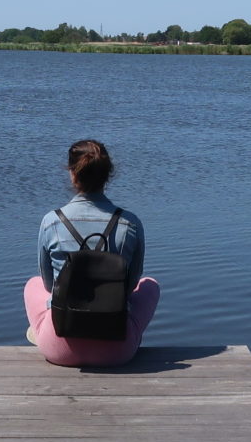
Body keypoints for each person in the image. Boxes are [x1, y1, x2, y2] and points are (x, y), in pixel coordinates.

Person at [23, 138, 161, 366]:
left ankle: (41, 330)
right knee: (150, 285)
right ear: (108, 175)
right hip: (118, 351)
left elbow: (49, 286)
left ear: (72, 174)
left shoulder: (51, 222)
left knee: (34, 284)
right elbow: (131, 285)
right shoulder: (130, 224)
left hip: (59, 350)